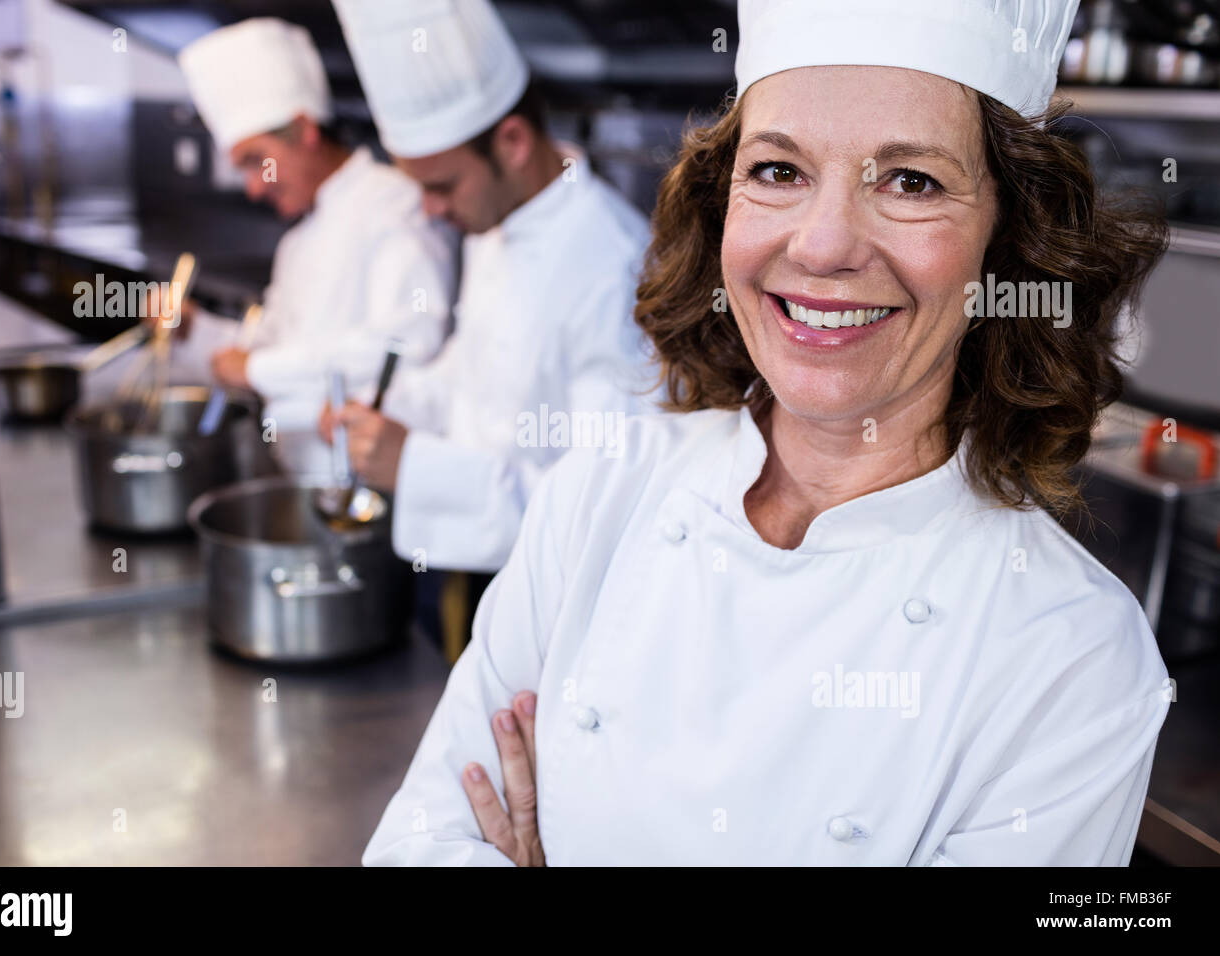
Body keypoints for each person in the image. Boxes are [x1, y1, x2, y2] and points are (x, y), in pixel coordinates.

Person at [361, 0, 1174, 866]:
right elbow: (417, 843)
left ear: (1007, 240)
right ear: (723, 207)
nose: (823, 247)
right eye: (779, 171)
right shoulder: (603, 489)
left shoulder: (1072, 658)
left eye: (911, 181)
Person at [323, 0, 657, 582]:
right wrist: (380, 414)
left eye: (442, 186)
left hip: (553, 602)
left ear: (512, 141)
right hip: (473, 572)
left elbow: (605, 505)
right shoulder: (495, 224)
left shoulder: (616, 268)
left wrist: (416, 468)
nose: (429, 210)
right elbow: (469, 385)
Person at [162, 17, 457, 475]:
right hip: (299, 481)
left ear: (303, 129)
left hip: (367, 499)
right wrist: (193, 332)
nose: (255, 188)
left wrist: (259, 372)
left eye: (256, 161)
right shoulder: (299, 240)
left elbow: (408, 343)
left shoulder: (395, 205)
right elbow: (262, 349)